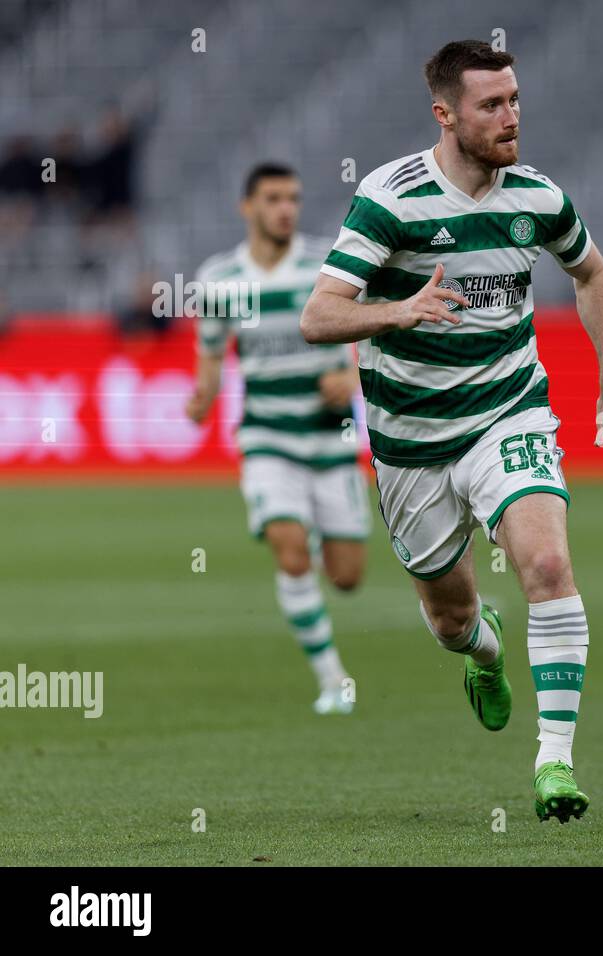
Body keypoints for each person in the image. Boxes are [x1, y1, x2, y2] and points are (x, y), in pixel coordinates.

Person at [300, 40, 603, 823]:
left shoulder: (537, 196)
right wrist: (399, 310)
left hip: (509, 412)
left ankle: (555, 766)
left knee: (544, 559)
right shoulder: (391, 199)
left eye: (514, 101)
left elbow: (593, 274)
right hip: (411, 442)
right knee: (451, 621)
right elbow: (319, 314)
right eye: (491, 105)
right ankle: (486, 651)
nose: (511, 118)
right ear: (445, 115)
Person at [186, 163, 370, 715]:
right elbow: (212, 355)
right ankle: (333, 679)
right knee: (291, 557)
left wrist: (353, 377)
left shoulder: (325, 266)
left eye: (292, 197)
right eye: (273, 198)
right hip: (267, 437)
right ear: (248, 207)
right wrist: (201, 399)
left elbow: (368, 331)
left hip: (331, 438)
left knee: (346, 577)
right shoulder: (218, 280)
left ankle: (311, 537)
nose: (285, 208)